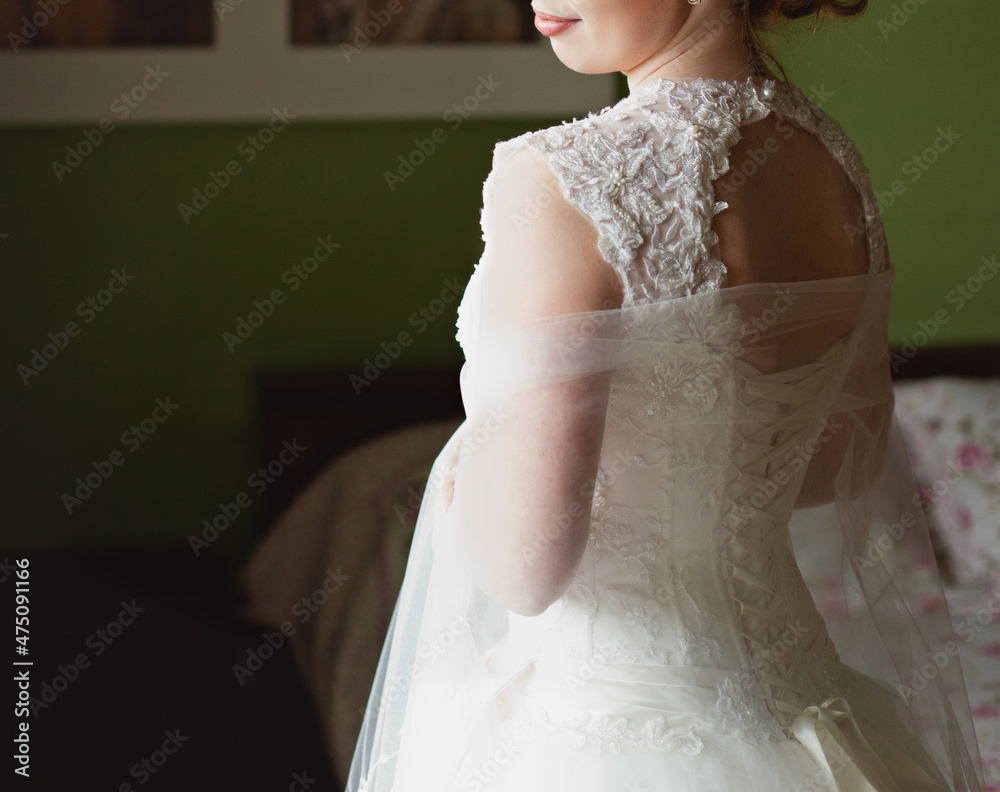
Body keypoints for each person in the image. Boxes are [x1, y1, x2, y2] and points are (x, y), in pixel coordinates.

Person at [347, 1, 987, 789]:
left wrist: (462, 470)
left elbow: (525, 569)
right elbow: (833, 471)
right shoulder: (829, 160)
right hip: (810, 708)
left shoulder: (563, 178)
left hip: (603, 726)